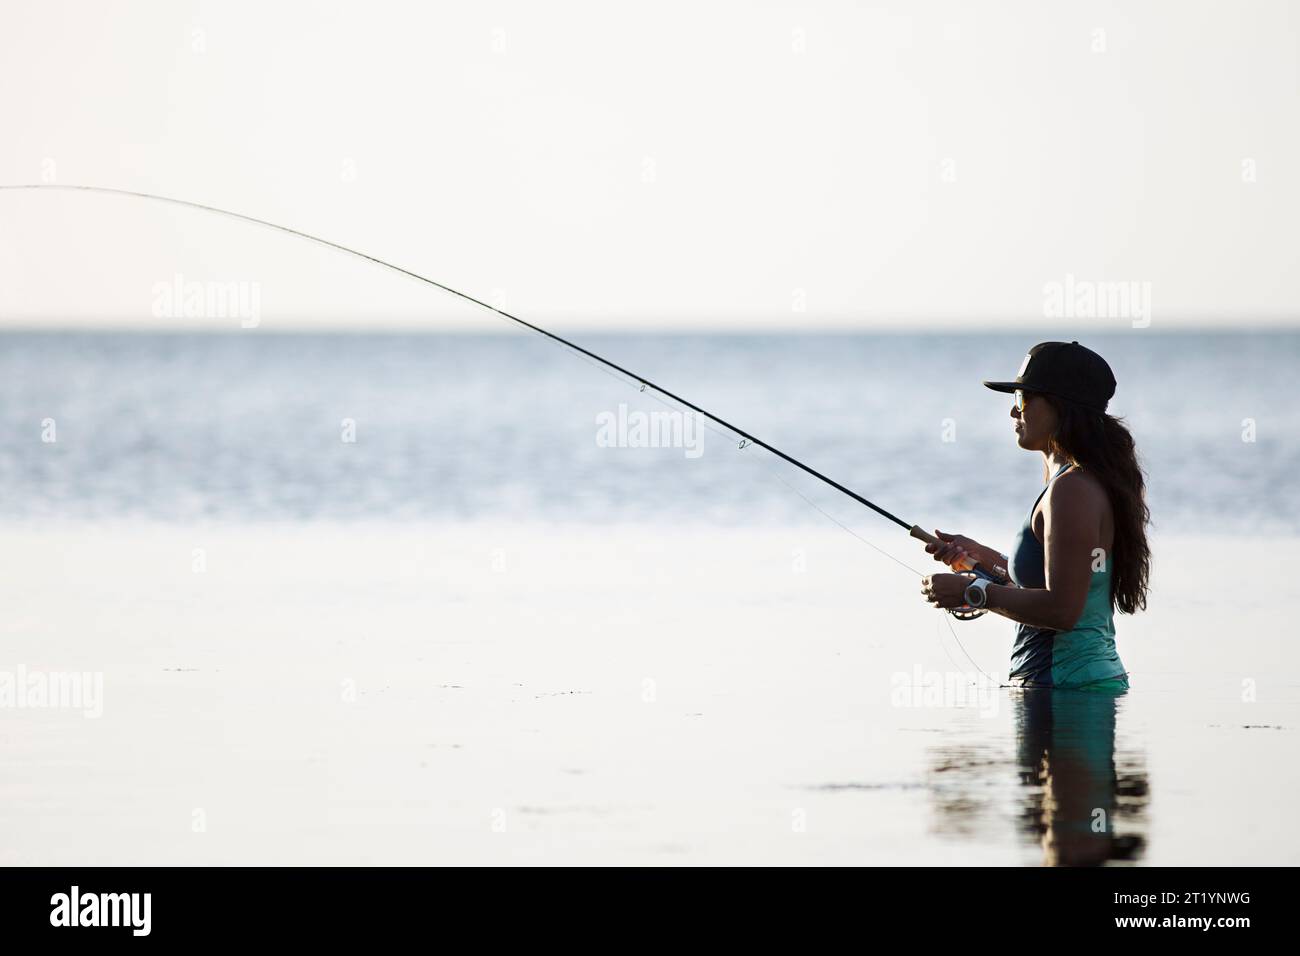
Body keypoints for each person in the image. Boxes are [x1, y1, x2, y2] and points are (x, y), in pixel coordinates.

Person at [920, 341, 1150, 690]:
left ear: (1060, 407)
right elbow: (1049, 586)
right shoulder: (1075, 483)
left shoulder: (1072, 490)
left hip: (1067, 691)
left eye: (1023, 400)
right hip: (1066, 688)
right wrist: (984, 561)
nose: (1015, 413)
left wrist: (974, 591)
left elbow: (1062, 610)